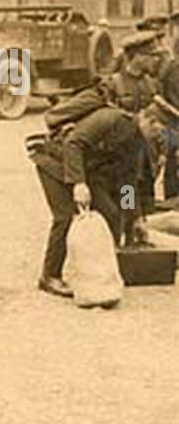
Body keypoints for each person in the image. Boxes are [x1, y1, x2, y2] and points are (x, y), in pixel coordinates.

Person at [32, 105, 154, 298]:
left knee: (111, 214)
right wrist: (78, 184)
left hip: (86, 169)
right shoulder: (112, 119)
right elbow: (73, 143)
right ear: (148, 120)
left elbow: (127, 182)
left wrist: (134, 217)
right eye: (157, 131)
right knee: (65, 217)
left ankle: (103, 273)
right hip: (54, 161)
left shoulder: (136, 141)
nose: (157, 138)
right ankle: (49, 276)